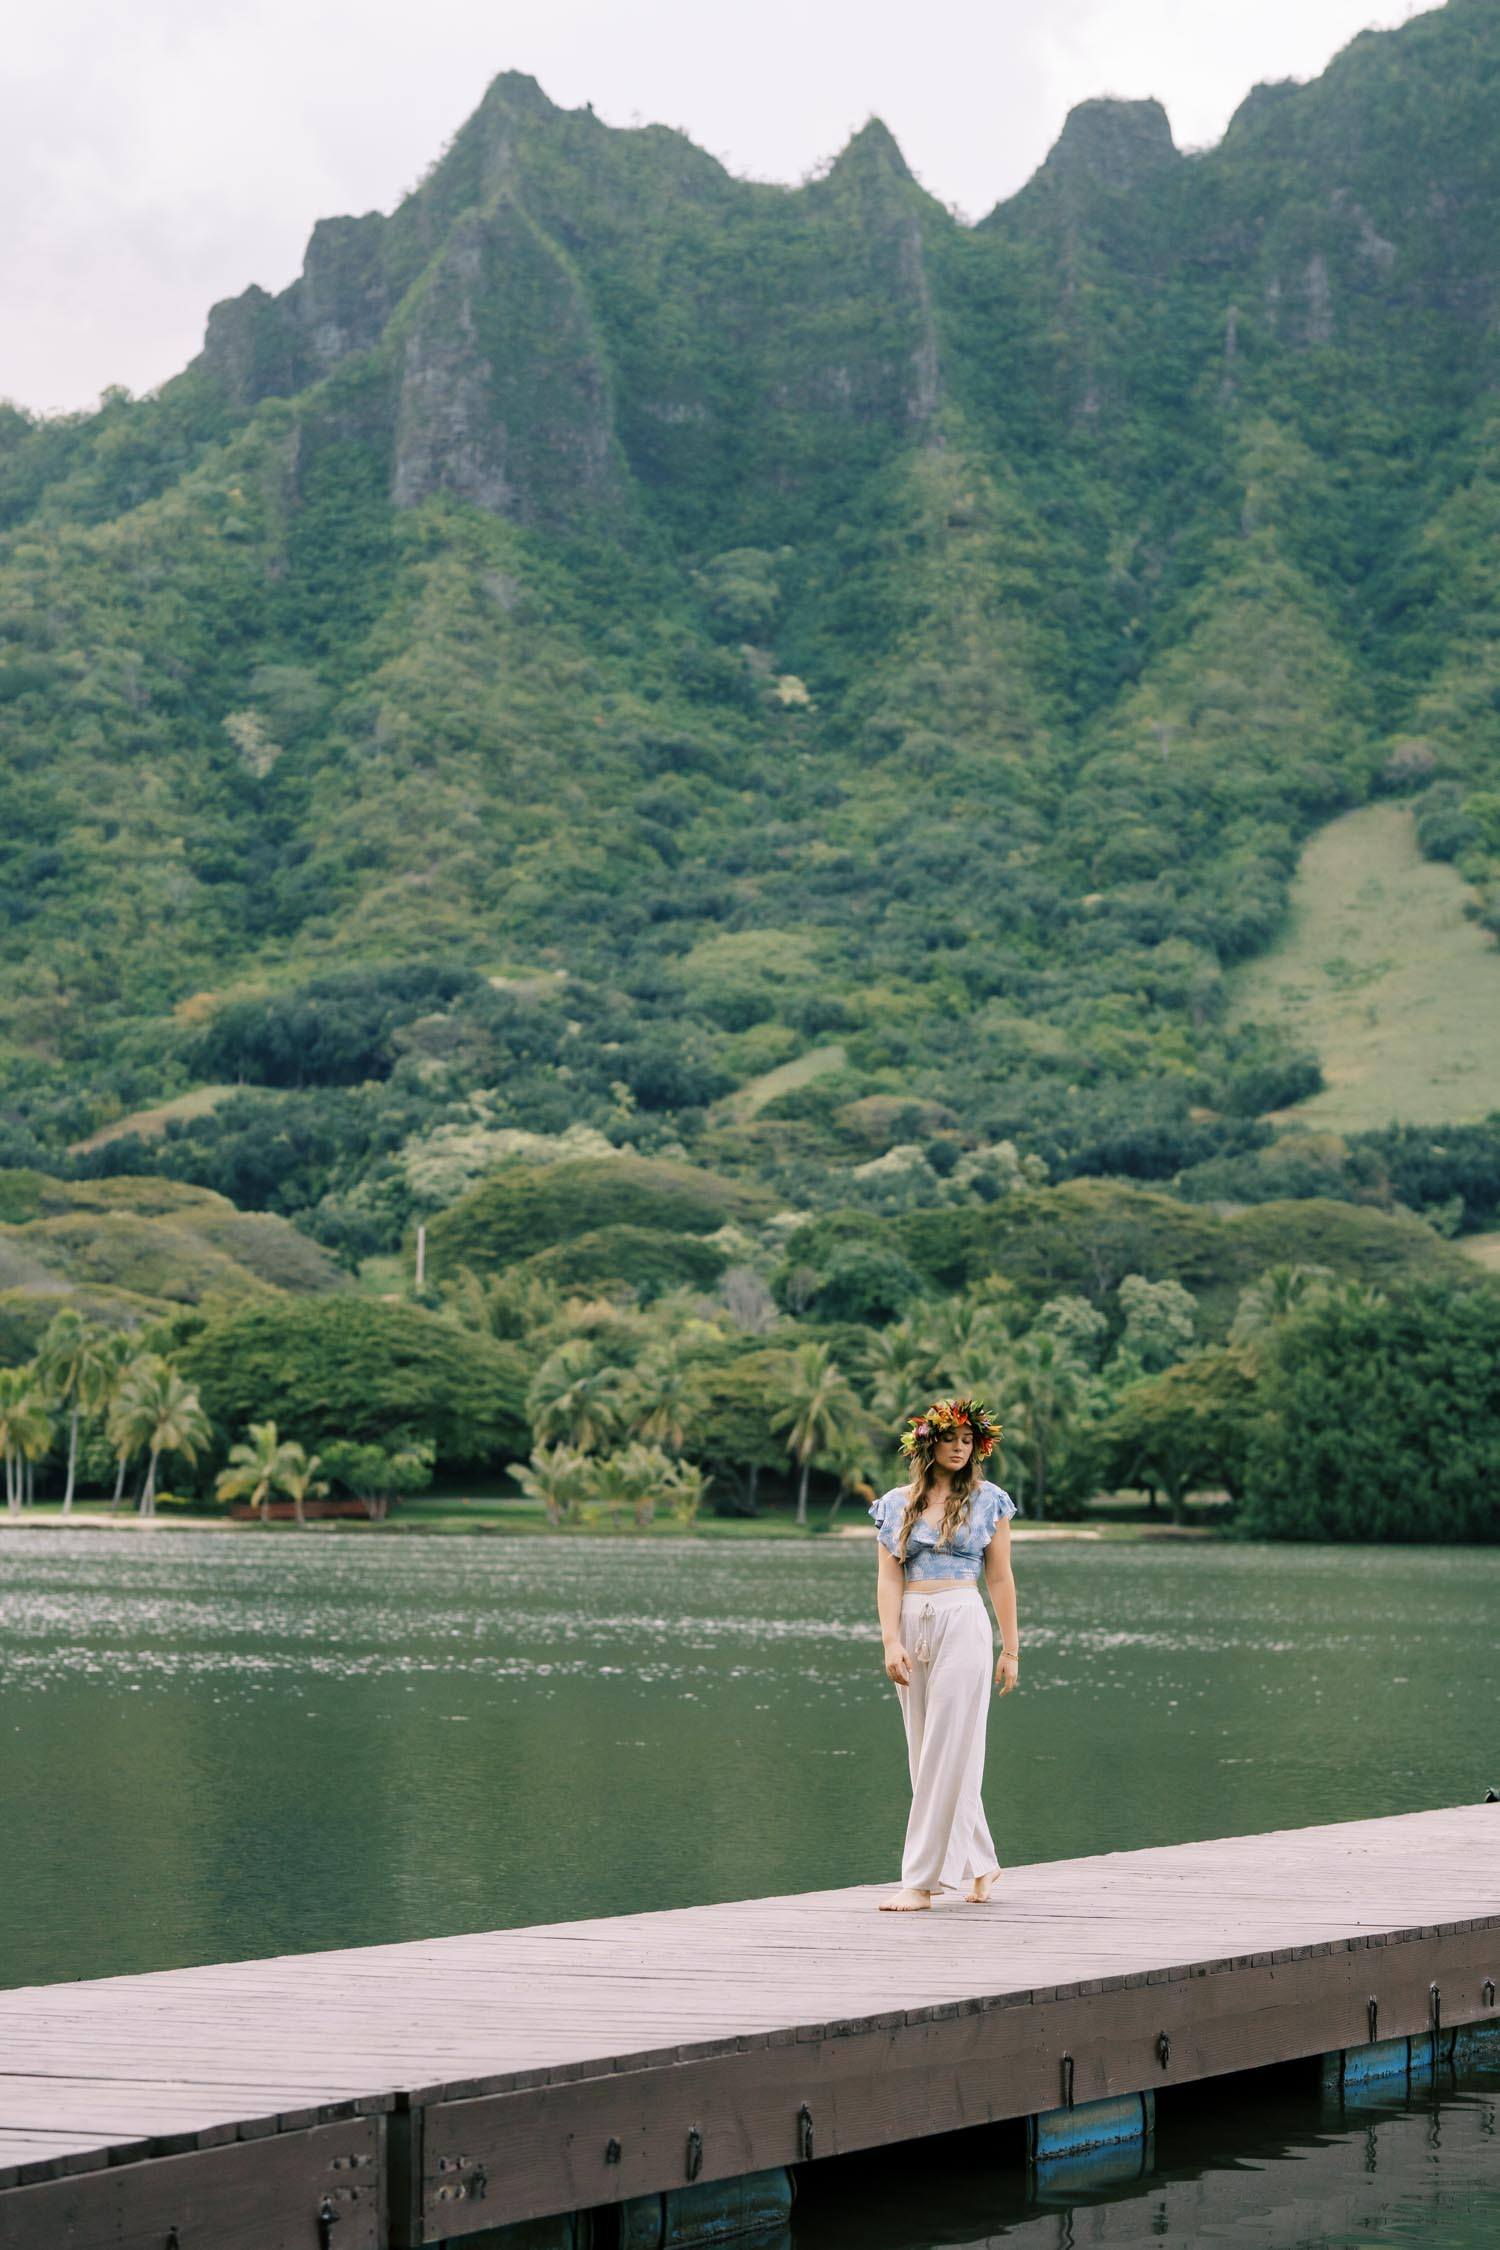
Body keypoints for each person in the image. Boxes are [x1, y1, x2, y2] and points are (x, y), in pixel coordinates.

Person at [869, 1398, 1019, 1911]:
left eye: (967, 1441)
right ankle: (980, 1861)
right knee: (923, 1748)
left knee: (947, 1747)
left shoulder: (989, 1501)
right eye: (951, 1439)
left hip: (963, 1618)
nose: (959, 1448)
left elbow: (1000, 1578)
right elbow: (889, 1578)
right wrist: (891, 1639)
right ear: (928, 1443)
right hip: (912, 1620)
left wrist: (1011, 1648)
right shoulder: (896, 1504)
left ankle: (921, 1882)